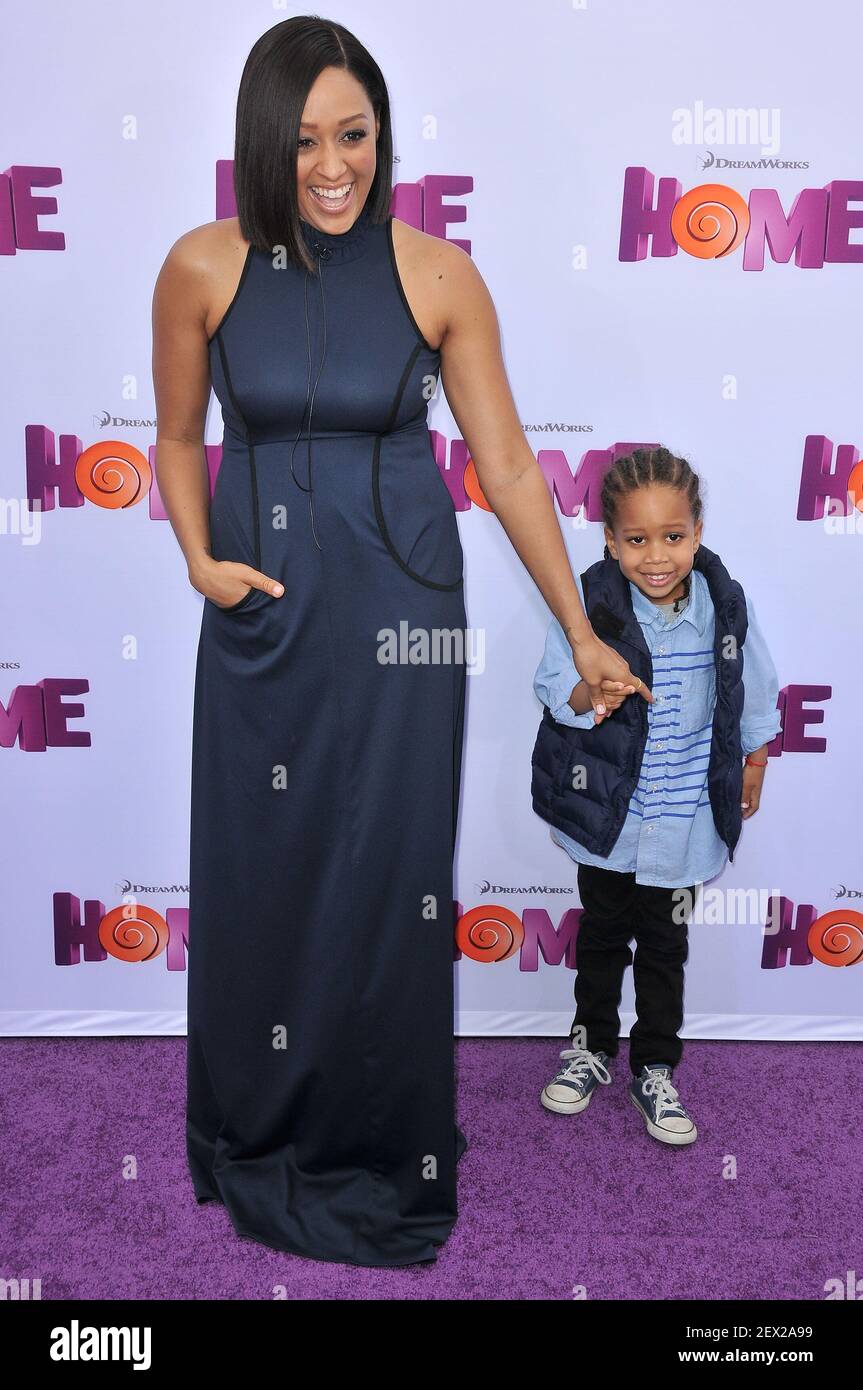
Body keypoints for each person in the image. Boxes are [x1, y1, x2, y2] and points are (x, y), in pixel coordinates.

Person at [152, 15, 651, 1268]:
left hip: (402, 614)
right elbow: (170, 436)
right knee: (263, 863)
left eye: (355, 134)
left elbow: (510, 470)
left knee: (386, 874)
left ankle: (381, 1139)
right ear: (263, 142)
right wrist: (198, 558)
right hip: (262, 616)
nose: (332, 165)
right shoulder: (202, 265)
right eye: (306, 138)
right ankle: (253, 1120)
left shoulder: (437, 274)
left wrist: (583, 631)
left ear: (385, 132)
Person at [531, 446, 782, 1146]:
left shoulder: (724, 607)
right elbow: (556, 690)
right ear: (609, 541)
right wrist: (592, 689)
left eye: (671, 537)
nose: (655, 557)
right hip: (609, 822)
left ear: (696, 531)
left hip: (684, 826)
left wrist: (754, 762)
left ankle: (655, 1068)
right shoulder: (588, 606)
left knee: (664, 950)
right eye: (635, 540)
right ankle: (588, 1049)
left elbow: (753, 689)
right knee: (602, 941)